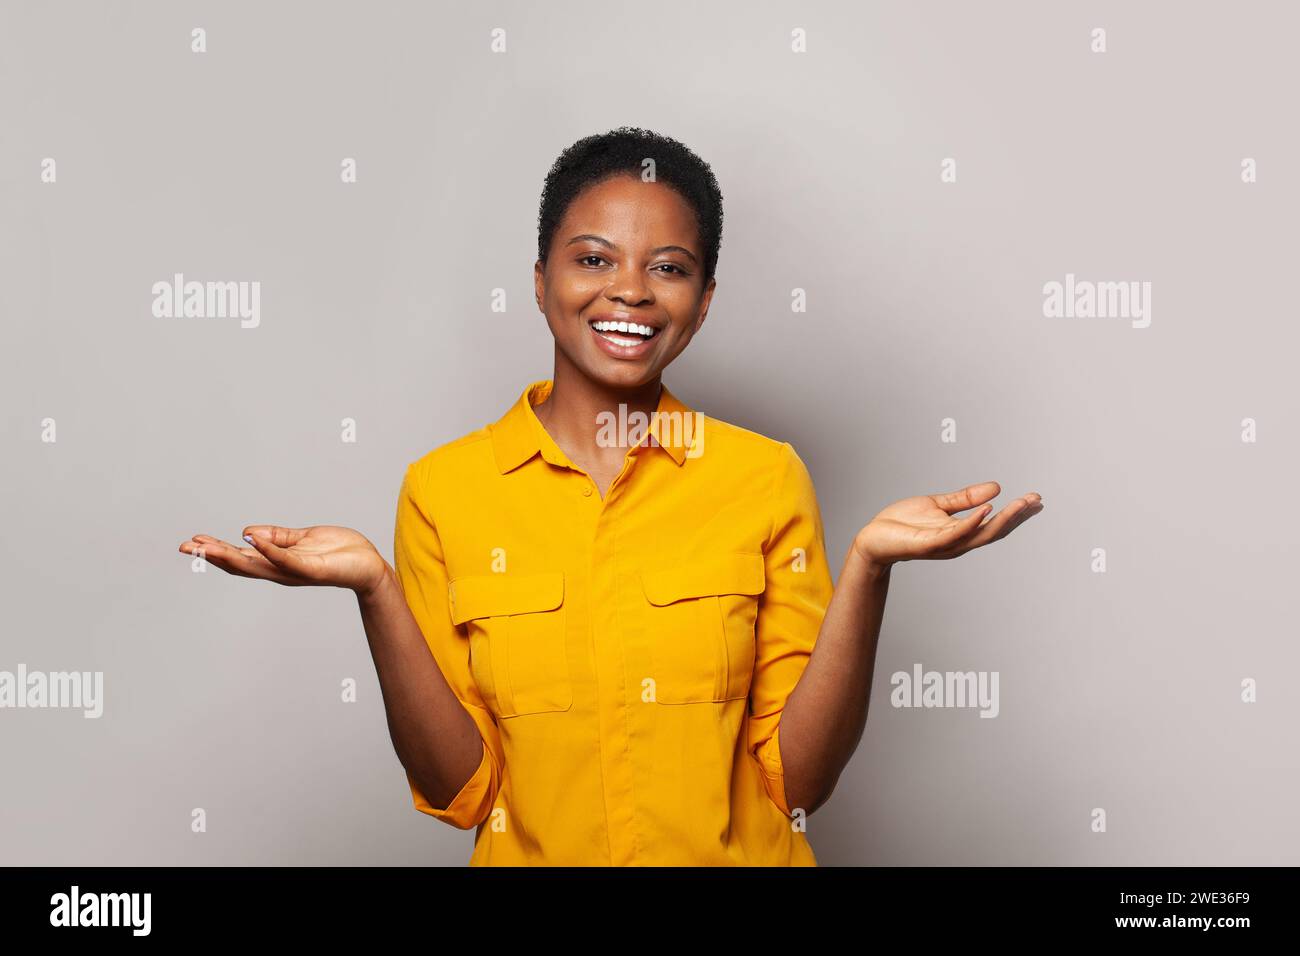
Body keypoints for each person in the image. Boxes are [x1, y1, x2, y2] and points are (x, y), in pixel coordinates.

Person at [179, 127, 1043, 866]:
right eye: (593, 259)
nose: (629, 290)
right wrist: (375, 592)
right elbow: (464, 790)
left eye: (668, 267)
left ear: (702, 304)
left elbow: (799, 781)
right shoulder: (444, 491)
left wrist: (868, 570)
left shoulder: (763, 477)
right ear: (540, 279)